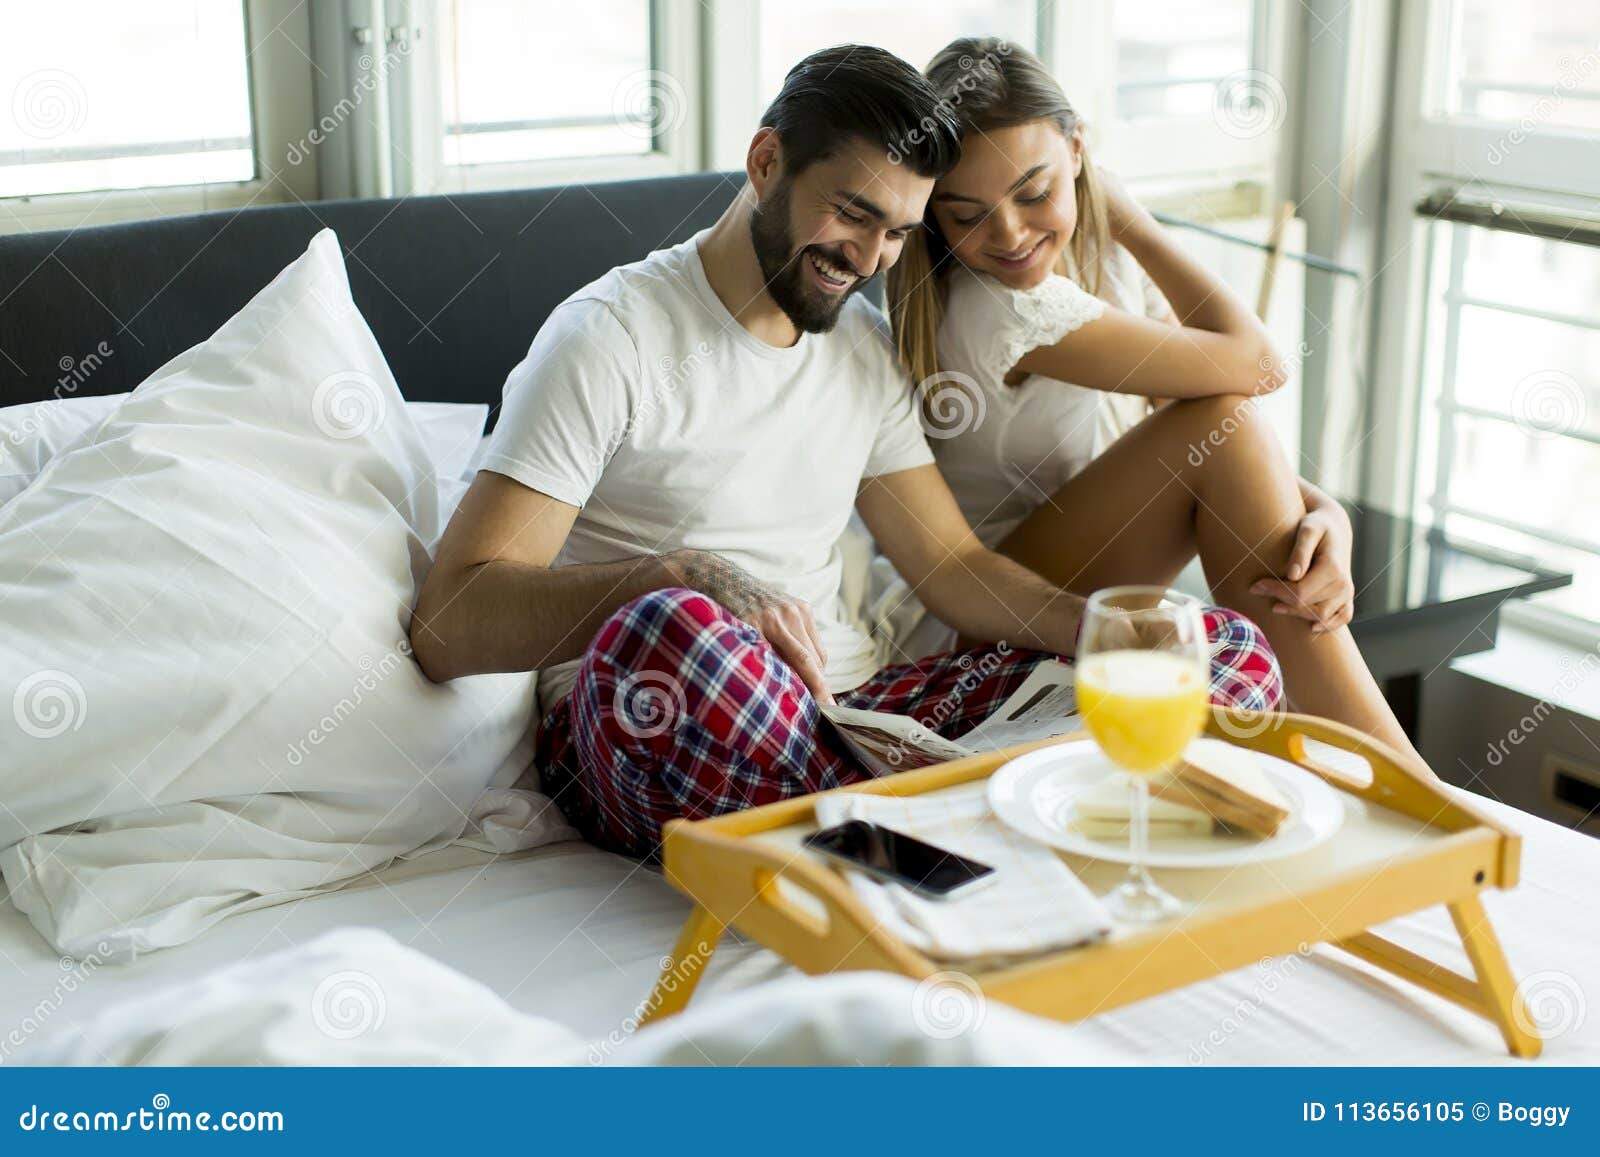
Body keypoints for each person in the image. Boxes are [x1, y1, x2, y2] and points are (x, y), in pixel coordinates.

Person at [409, 45, 1285, 860]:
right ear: (765, 164)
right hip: (673, 705)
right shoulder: (609, 339)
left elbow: (950, 565)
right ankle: (960, 815)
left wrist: (1109, 637)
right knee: (680, 630)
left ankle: (900, 822)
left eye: (899, 232)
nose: (867, 258)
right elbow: (450, 624)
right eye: (853, 214)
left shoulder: (860, 349)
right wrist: (673, 574)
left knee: (1222, 654)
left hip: (855, 711)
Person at [883, 37, 1424, 769]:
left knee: (1223, 420)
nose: (1008, 234)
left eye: (1034, 192)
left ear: (1078, 150)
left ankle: (1367, 775)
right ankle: (1402, 783)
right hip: (989, 611)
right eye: (966, 213)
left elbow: (1206, 413)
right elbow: (1259, 364)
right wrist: (1133, 219)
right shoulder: (993, 308)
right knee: (1224, 416)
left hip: (1080, 571)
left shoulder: (1097, 261)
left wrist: (1325, 514)